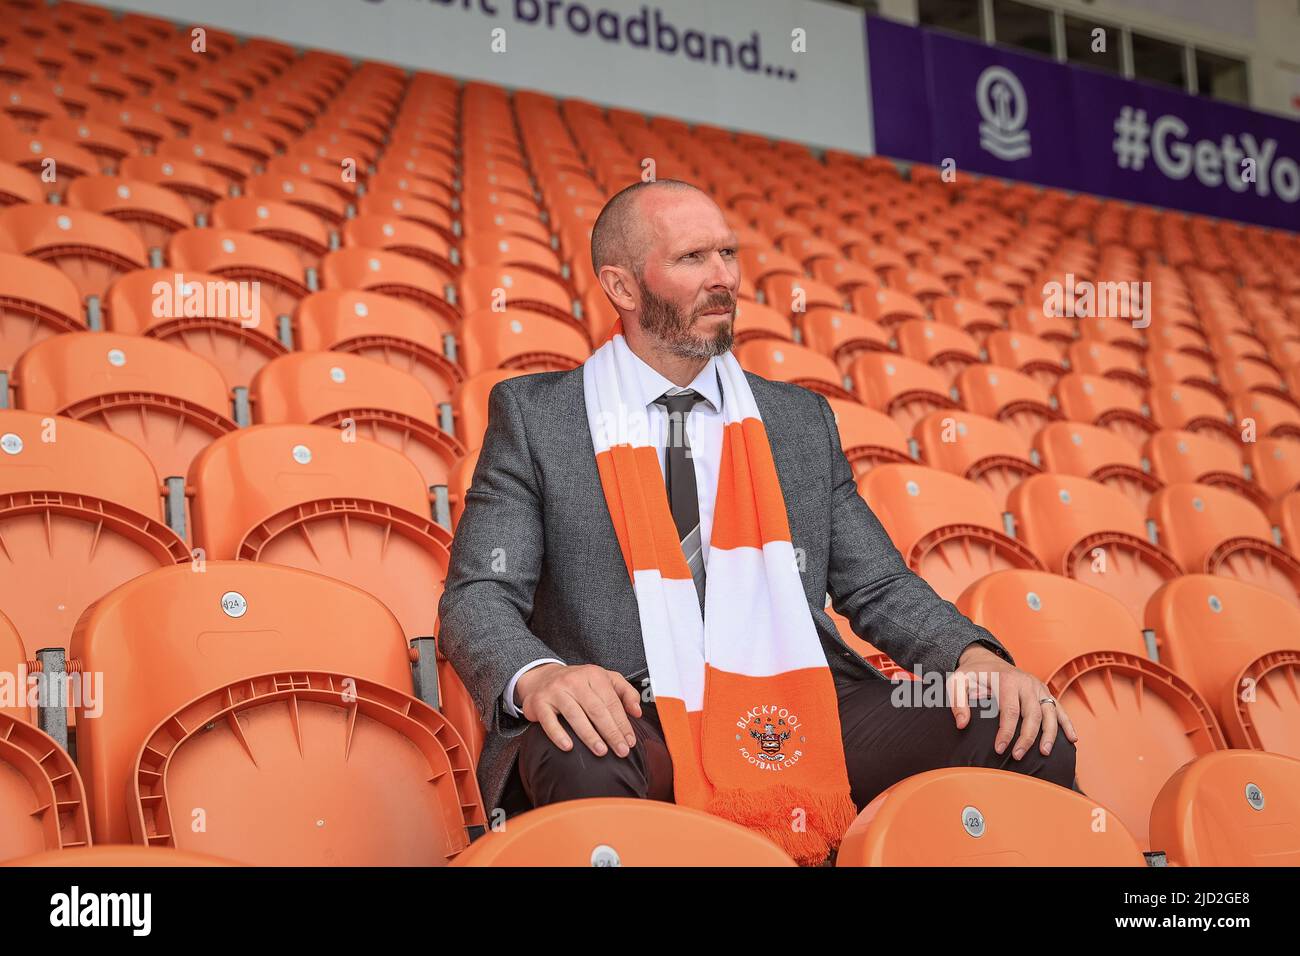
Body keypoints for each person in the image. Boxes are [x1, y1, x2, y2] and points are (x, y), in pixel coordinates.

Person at [438, 179, 1078, 862]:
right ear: (621, 287)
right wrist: (540, 676)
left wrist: (974, 657)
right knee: (581, 758)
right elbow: (478, 594)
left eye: (728, 254)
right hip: (638, 706)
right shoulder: (541, 419)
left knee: (1019, 725)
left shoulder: (797, 422)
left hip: (802, 699)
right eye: (692, 259)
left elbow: (879, 586)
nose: (724, 279)